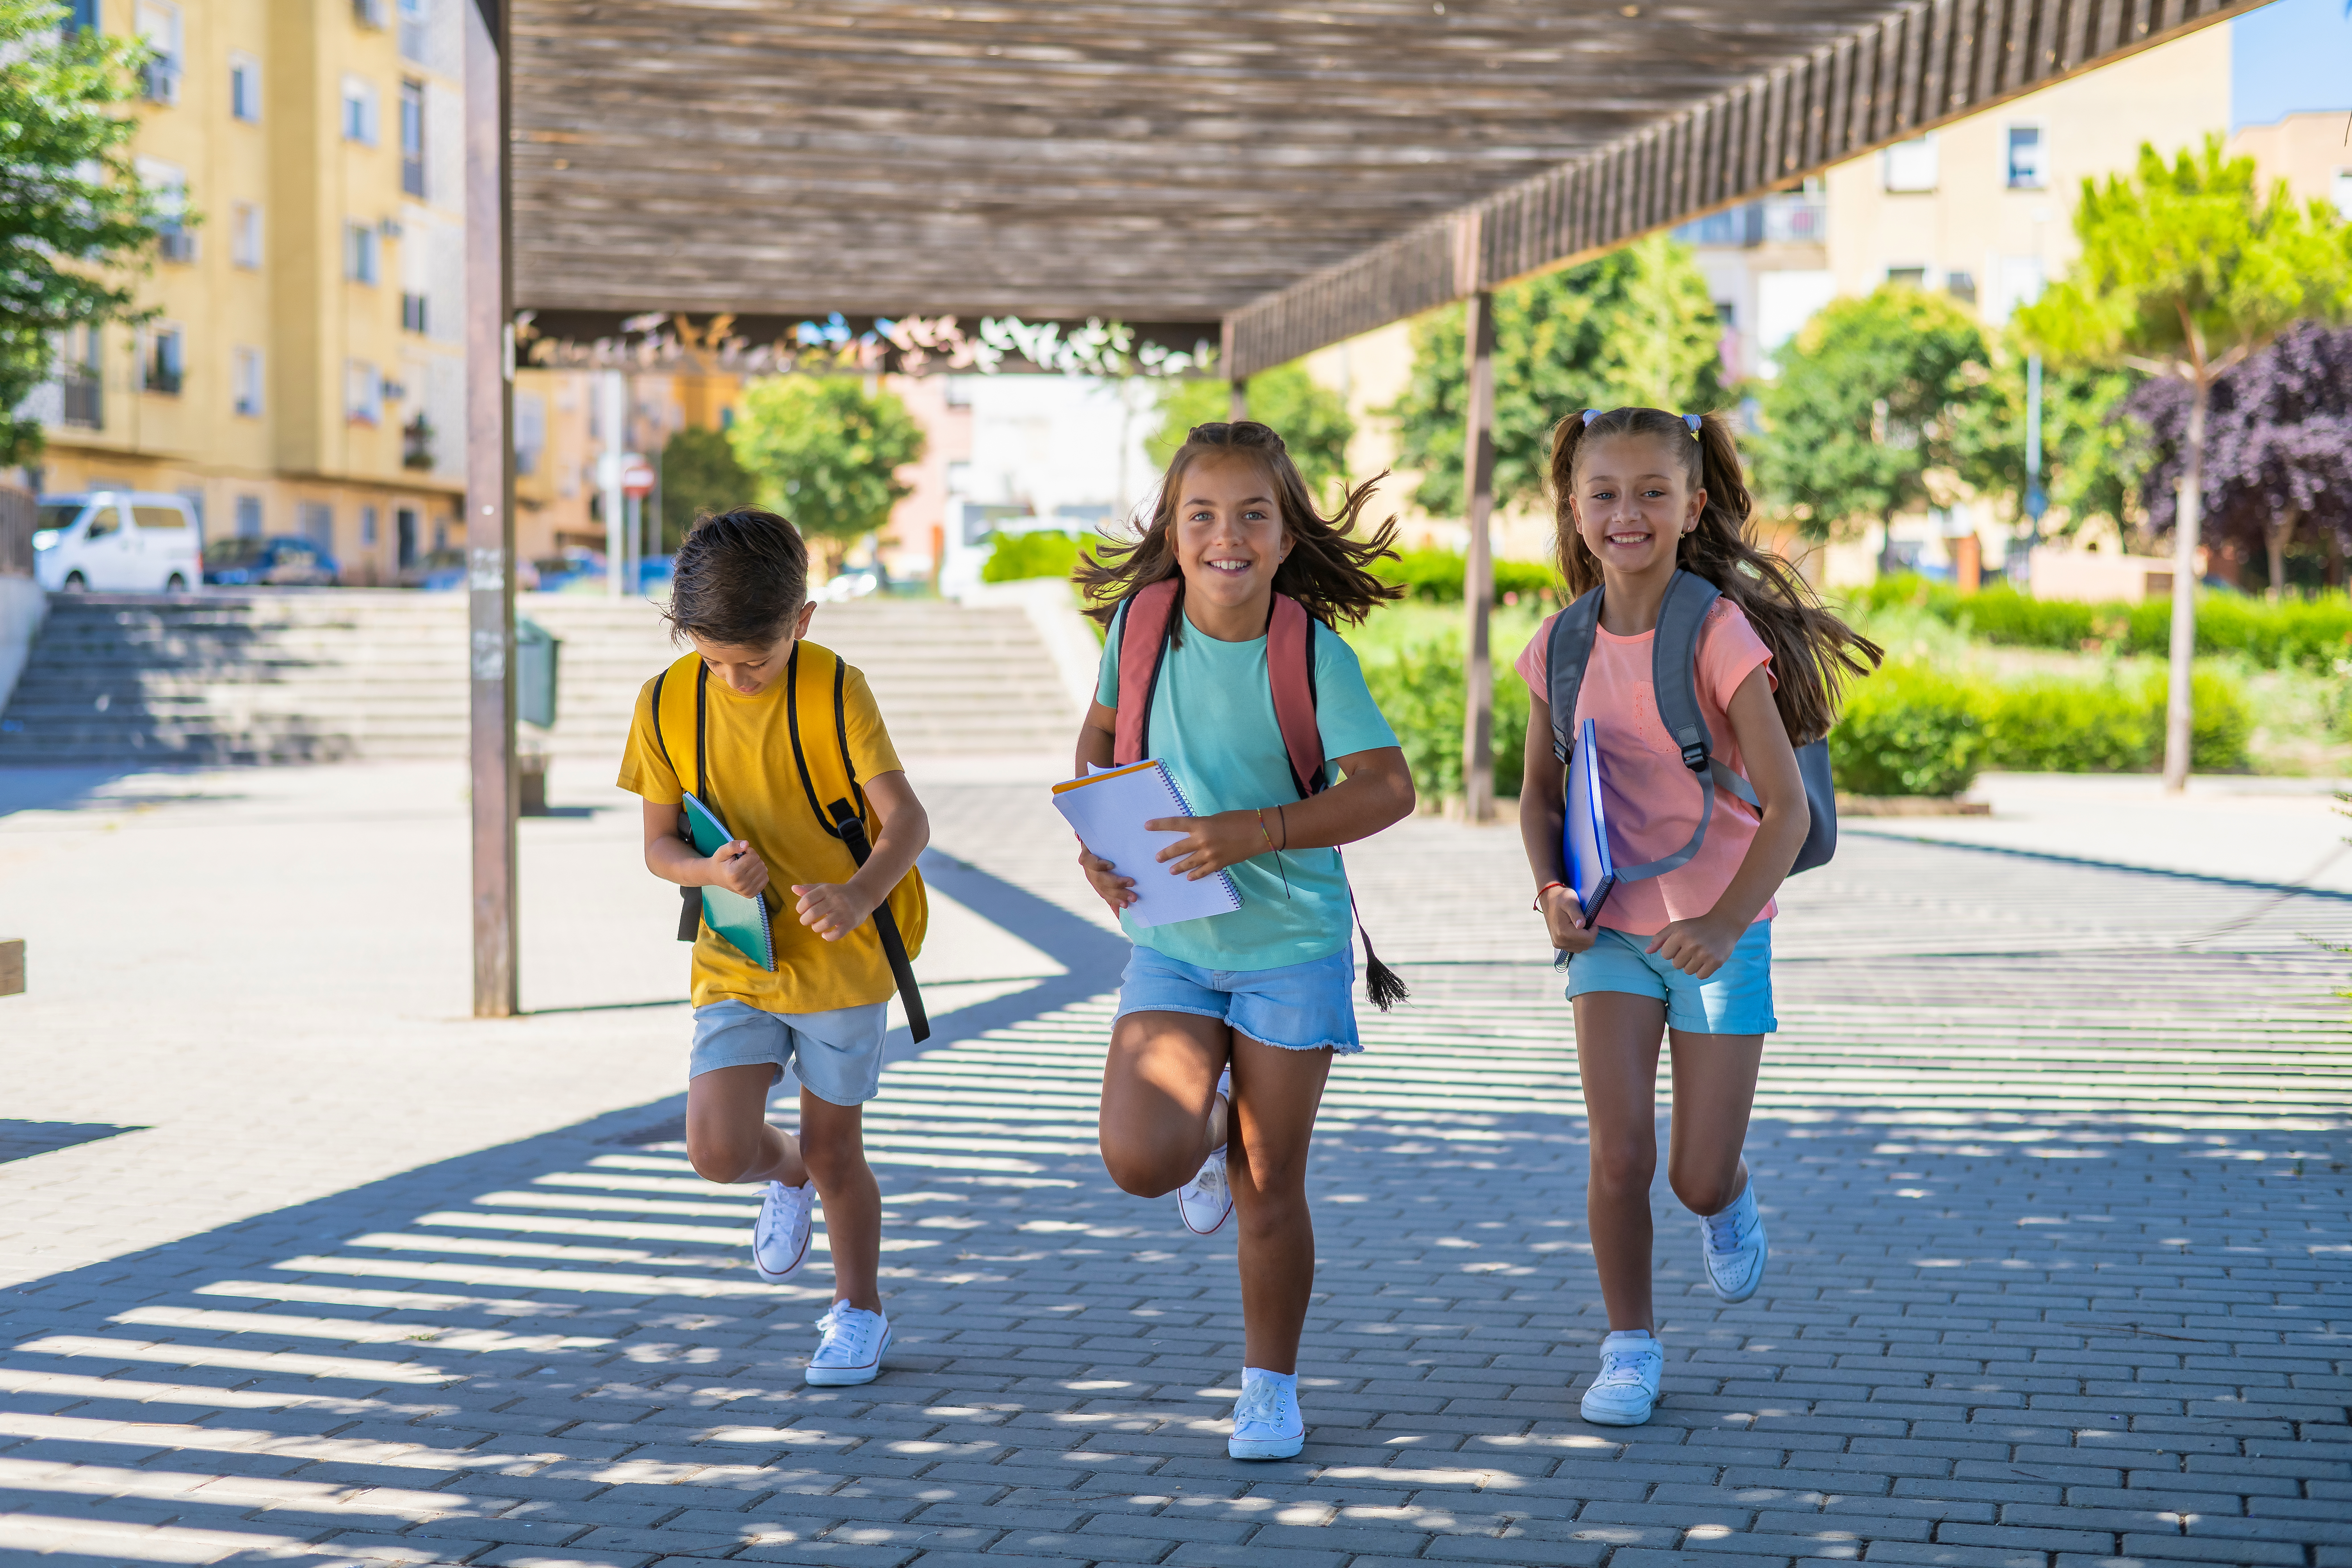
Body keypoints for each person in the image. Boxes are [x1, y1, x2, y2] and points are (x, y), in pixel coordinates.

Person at [1516, 408, 1879, 1427]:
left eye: (1652, 493)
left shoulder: (1720, 632)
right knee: (1619, 1153)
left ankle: (1730, 1200)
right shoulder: (1558, 644)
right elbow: (1541, 797)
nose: (1626, 513)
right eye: (1604, 493)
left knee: (1694, 1174)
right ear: (1575, 506)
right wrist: (1550, 890)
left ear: (1694, 506)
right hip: (1615, 931)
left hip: (1723, 931)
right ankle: (1629, 1346)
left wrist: (1724, 923)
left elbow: (1788, 808)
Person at [1071, 422, 1416, 1461]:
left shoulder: (1311, 649)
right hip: (1172, 939)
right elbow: (1098, 738)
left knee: (1273, 1182)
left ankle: (1269, 1386)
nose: (1228, 535)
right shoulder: (1138, 626)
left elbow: (1389, 789)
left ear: (1284, 532)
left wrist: (1254, 830)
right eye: (1203, 515)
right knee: (1140, 1158)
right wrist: (1095, 831)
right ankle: (1213, 1131)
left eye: (1253, 515)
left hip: (1289, 946)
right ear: (1172, 533)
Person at [618, 507, 930, 1388]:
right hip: (737, 956)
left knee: (841, 1151)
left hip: (841, 957)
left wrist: (860, 892)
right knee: (716, 1151)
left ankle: (858, 1312)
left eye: (750, 661)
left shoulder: (837, 689)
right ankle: (783, 1172)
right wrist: (711, 871)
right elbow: (658, 848)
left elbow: (907, 821)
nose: (731, 678)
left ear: (801, 621)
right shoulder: (665, 702)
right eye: (712, 659)